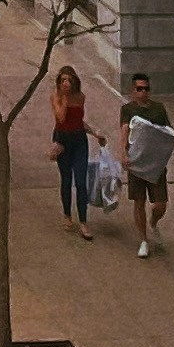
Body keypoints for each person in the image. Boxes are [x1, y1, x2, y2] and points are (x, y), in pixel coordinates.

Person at [122, 75, 174, 256]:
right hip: (137, 161)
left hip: (155, 163)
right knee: (139, 201)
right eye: (139, 89)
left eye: (145, 88)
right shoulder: (128, 109)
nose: (143, 92)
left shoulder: (158, 109)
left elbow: (167, 131)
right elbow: (124, 131)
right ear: (133, 91)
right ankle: (143, 239)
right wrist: (123, 154)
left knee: (160, 203)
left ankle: (153, 221)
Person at [49, 65, 96, 232]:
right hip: (63, 140)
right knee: (66, 180)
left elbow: (79, 121)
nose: (66, 83)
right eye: (63, 80)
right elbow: (61, 118)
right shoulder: (56, 97)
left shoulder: (81, 97)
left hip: (79, 140)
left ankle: (83, 220)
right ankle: (67, 215)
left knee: (81, 181)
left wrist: (95, 134)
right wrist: (65, 99)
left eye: (69, 80)